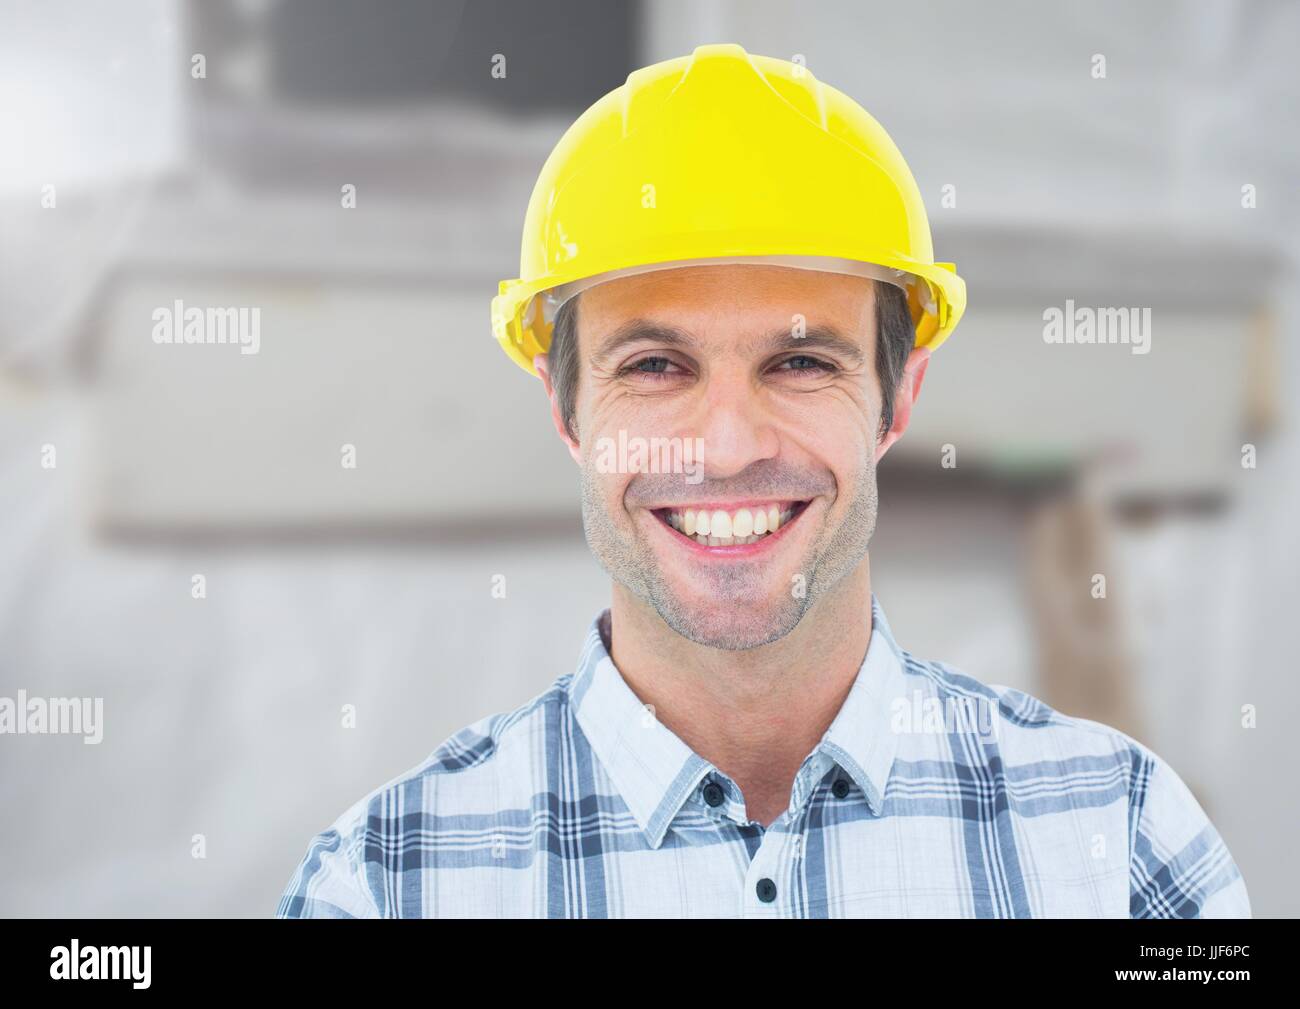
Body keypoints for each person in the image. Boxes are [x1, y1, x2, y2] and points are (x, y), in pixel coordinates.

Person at [276, 44, 1249, 918]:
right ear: (566, 407)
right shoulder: (386, 883)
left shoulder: (1119, 843)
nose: (730, 445)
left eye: (799, 363)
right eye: (655, 366)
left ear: (897, 397)